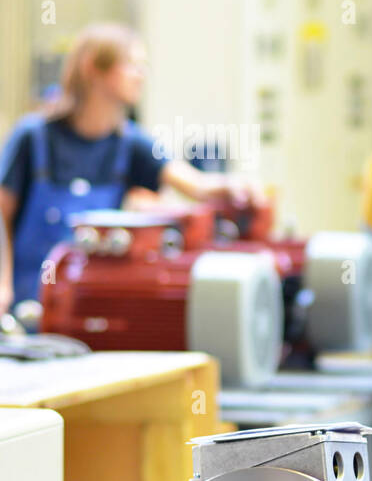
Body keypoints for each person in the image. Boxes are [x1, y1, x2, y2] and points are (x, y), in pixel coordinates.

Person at [0, 22, 261, 318]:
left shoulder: (133, 143)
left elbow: (196, 186)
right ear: (92, 68)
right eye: (131, 65)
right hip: (24, 306)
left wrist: (233, 187)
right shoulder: (33, 137)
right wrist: (2, 285)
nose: (141, 76)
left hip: (86, 308)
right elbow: (1, 217)